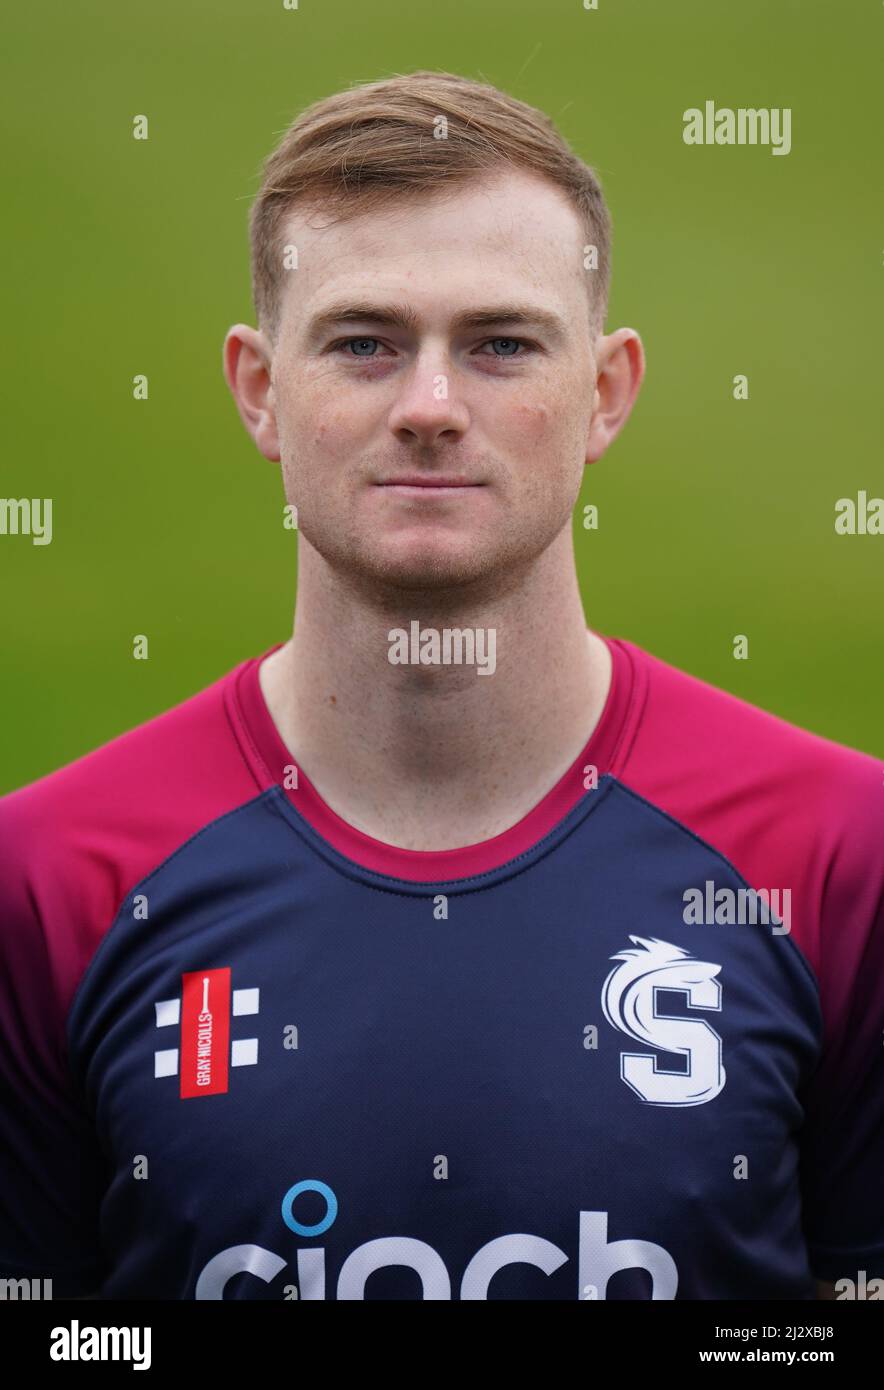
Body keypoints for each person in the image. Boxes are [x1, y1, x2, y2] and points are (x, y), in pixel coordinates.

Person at [1, 70, 881, 1301]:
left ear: (604, 393)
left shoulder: (836, 854)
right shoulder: (50, 880)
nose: (428, 408)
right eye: (363, 343)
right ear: (260, 391)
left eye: (499, 345)